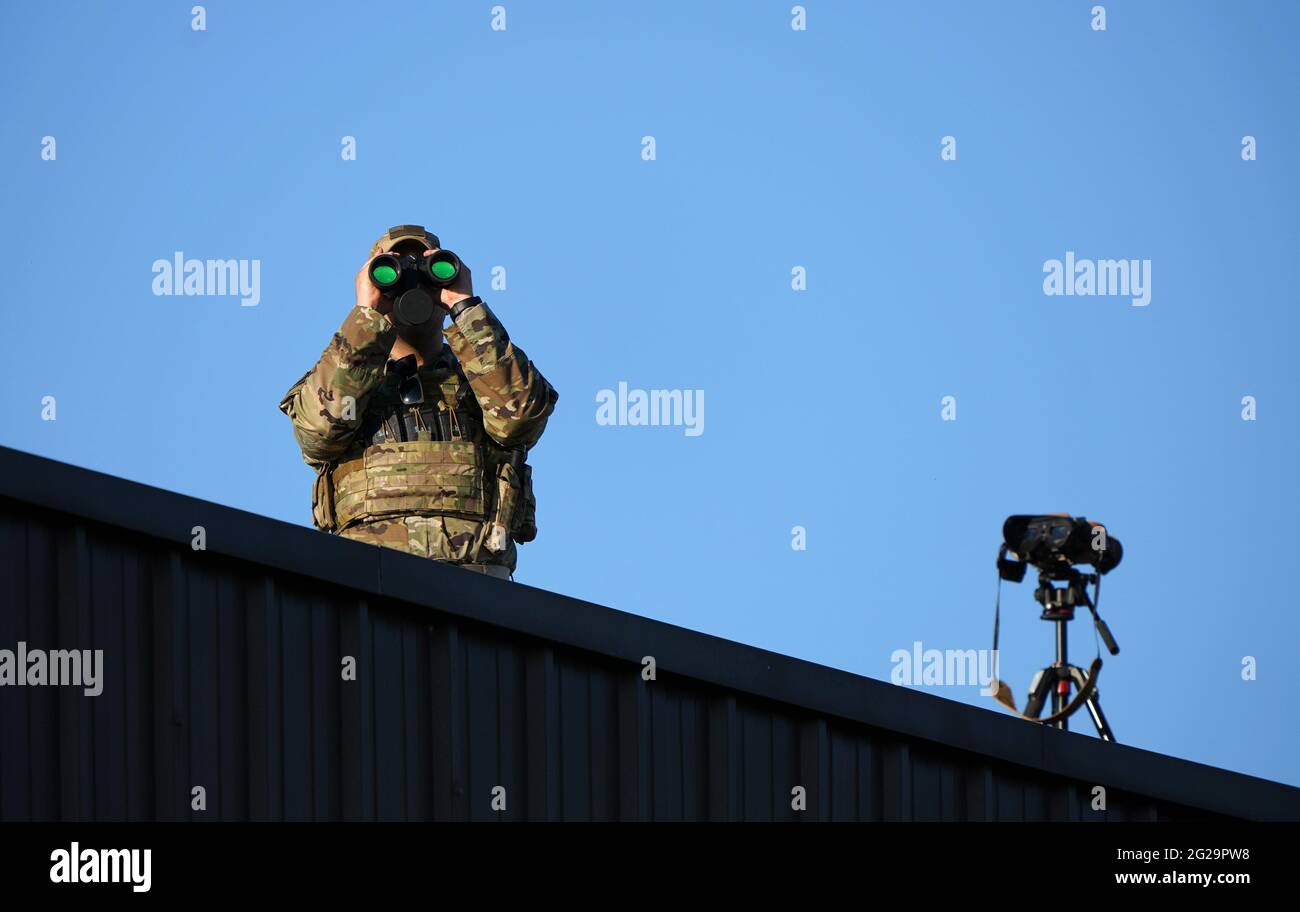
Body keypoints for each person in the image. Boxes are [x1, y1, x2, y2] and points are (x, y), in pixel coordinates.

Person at [278, 225, 558, 579]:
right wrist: (367, 316)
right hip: (367, 581)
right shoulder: (346, 380)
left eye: (426, 273)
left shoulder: (483, 384)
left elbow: (520, 417)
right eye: (393, 274)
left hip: (477, 583)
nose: (412, 287)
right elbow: (319, 432)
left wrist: (464, 306)